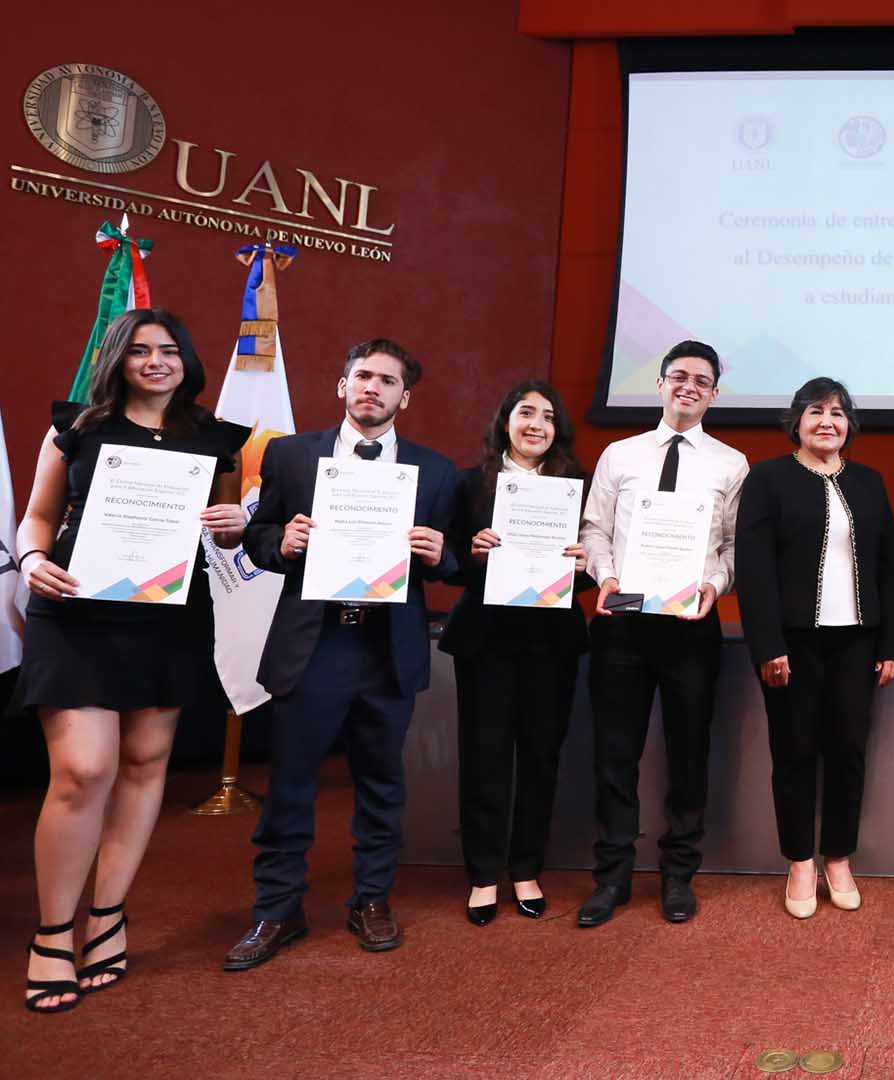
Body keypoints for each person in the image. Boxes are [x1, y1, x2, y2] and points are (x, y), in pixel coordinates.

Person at [14, 310, 247, 1013]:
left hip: (168, 617)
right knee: (84, 771)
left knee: (145, 764)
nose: (156, 362)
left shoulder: (217, 440)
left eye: (169, 350)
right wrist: (30, 560)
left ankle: (108, 916)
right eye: (140, 350)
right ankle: (53, 932)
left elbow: (226, 534)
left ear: (187, 360)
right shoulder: (75, 428)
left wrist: (236, 523)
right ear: (117, 359)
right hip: (76, 610)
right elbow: (37, 517)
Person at [223, 338, 459, 970]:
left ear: (405, 397)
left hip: (387, 647)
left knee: (382, 783)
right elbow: (258, 537)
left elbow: (457, 558)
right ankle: (277, 909)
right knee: (291, 783)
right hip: (314, 642)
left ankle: (372, 899)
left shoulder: (435, 470)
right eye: (362, 376)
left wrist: (441, 554)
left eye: (387, 380)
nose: (372, 388)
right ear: (342, 384)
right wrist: (281, 542)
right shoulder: (291, 455)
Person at [576, 340, 748, 927]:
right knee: (614, 754)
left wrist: (716, 586)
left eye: (702, 381)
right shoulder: (619, 455)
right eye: (679, 376)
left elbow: (733, 547)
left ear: (714, 395)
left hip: (691, 627)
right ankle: (612, 876)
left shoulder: (731, 463)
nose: (688, 387)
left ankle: (678, 874)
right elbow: (594, 531)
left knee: (688, 754)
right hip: (622, 623)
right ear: (659, 384)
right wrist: (606, 575)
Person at [735, 378, 894, 919]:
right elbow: (754, 569)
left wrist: (892, 644)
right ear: (797, 421)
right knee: (794, 751)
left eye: (837, 413)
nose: (827, 422)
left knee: (848, 751)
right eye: (815, 412)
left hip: (858, 640)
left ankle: (838, 857)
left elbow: (890, 566)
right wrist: (768, 644)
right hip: (792, 643)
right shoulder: (768, 478)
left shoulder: (869, 481)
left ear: (849, 424)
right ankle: (799, 861)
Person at [441, 381, 591, 926]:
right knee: (484, 757)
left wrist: (584, 566)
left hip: (552, 640)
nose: (536, 425)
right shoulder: (469, 484)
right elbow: (447, 563)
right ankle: (483, 874)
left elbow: (596, 568)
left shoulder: (577, 486)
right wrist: (472, 553)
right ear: (505, 421)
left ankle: (526, 868)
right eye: (526, 413)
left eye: (548, 417)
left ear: (558, 430)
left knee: (541, 757)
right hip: (486, 639)